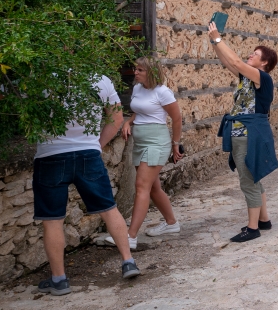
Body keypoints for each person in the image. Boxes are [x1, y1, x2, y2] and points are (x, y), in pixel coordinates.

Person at [34, 74, 141, 295]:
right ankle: (128, 262)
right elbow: (117, 118)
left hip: (51, 156)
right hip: (88, 154)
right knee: (108, 209)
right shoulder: (99, 79)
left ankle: (59, 280)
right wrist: (96, 145)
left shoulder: (37, 76)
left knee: (52, 219)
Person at [209, 21, 278, 243]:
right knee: (254, 177)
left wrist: (219, 38)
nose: (250, 55)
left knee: (247, 180)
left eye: (255, 54)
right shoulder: (247, 78)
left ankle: (252, 228)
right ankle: (264, 220)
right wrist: (214, 41)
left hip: (248, 134)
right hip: (244, 133)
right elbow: (229, 62)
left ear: (264, 62)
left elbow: (237, 61)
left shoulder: (263, 77)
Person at [106, 58, 182, 249]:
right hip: (140, 142)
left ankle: (130, 236)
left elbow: (177, 118)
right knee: (153, 188)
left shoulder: (163, 92)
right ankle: (171, 223)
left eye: (140, 69)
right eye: (135, 69)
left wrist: (175, 145)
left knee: (141, 186)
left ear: (151, 72)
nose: (135, 72)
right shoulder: (138, 88)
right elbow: (139, 111)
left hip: (157, 141)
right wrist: (128, 122)